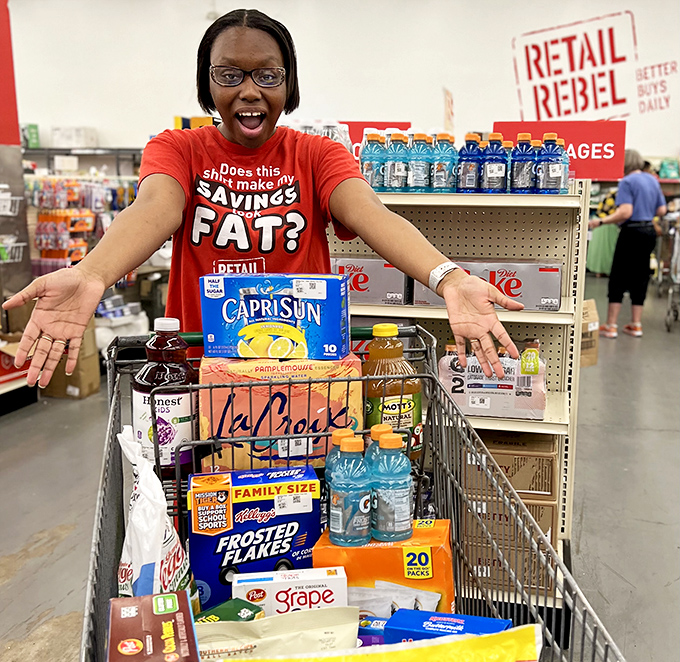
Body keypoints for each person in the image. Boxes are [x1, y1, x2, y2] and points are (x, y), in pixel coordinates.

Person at [3, 8, 523, 386]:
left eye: (268, 76)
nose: (249, 91)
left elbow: (369, 212)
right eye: (229, 75)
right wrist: (93, 272)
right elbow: (155, 209)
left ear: (288, 83)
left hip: (305, 369)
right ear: (208, 86)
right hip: (202, 368)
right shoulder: (177, 148)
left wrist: (447, 277)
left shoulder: (318, 154)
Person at [588, 148, 667, 338]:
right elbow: (662, 210)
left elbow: (625, 212)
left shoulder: (627, 182)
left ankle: (612, 325)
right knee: (641, 276)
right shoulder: (652, 180)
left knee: (619, 276)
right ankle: (636, 324)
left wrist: (600, 221)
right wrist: (646, 212)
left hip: (631, 232)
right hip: (648, 231)